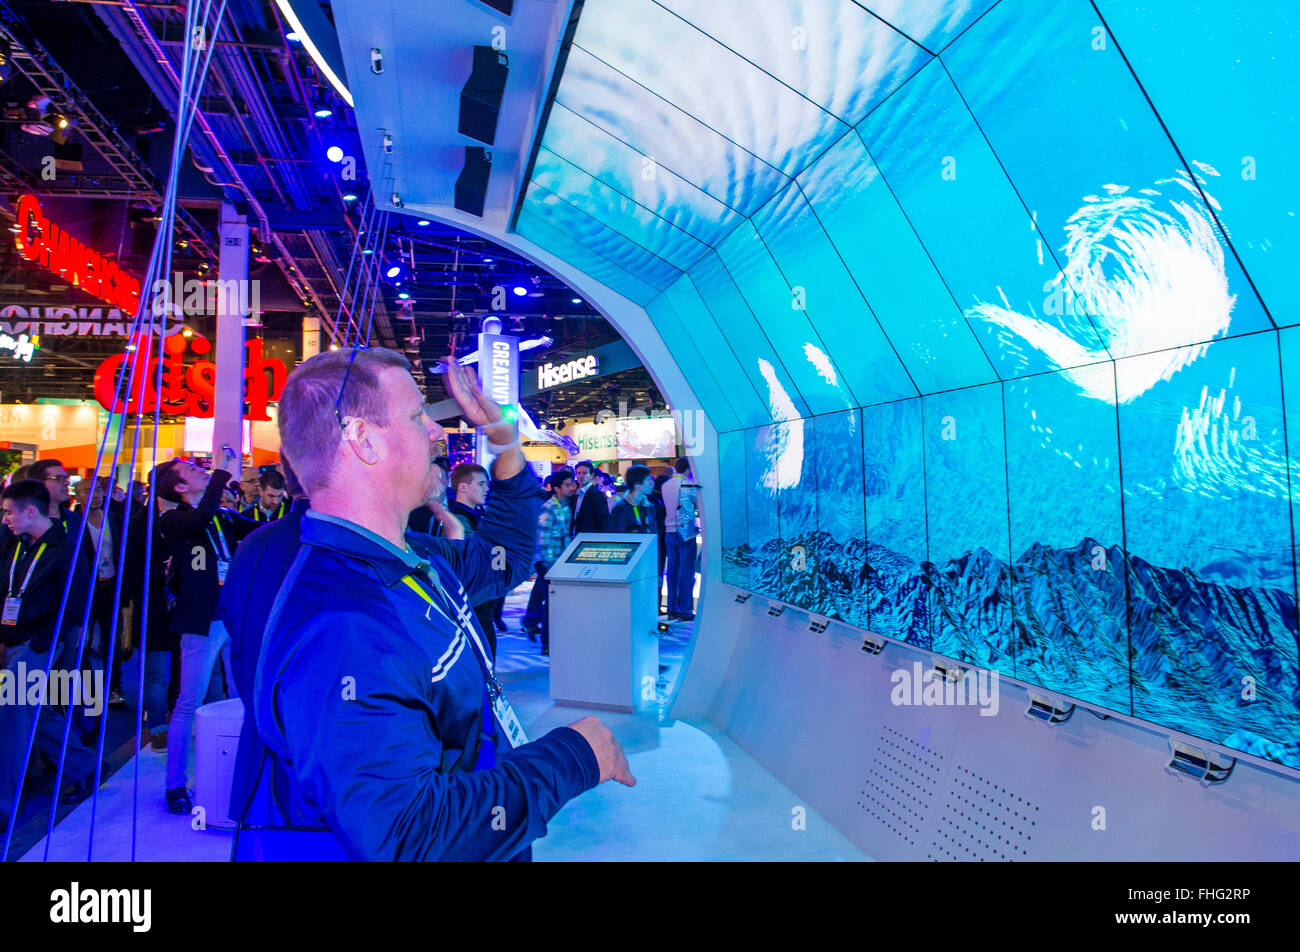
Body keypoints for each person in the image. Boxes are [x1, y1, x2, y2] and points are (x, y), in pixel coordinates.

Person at [248, 347, 633, 861]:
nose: (436, 431)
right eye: (416, 416)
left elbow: (506, 558)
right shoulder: (345, 626)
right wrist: (573, 757)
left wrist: (503, 439)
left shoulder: (412, 557)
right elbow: (407, 835)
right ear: (362, 440)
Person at [153, 447, 255, 815]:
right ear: (179, 486)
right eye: (192, 469)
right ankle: (175, 784)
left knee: (244, 691)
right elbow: (199, 520)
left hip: (233, 614)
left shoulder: (221, 516)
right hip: (201, 621)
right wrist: (222, 474)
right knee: (188, 701)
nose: (200, 470)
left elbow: (261, 531)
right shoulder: (174, 520)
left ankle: (245, 767)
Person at [0, 480, 101, 831]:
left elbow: (73, 607)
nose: (5, 518)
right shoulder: (16, 544)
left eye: (9, 512)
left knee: (12, 713)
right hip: (15, 640)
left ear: (30, 511)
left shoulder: (66, 549)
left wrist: (40, 644)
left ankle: (4, 807)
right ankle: (82, 766)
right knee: (36, 711)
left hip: (40, 643)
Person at [445, 463, 508, 653]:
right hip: (472, 601)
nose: (486, 489)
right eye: (481, 484)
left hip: (484, 600)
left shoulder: (479, 517)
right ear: (463, 487)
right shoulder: (456, 521)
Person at [531, 467, 576, 658]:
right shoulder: (549, 508)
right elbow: (543, 540)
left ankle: (532, 622)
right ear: (557, 488)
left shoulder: (564, 506)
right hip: (548, 565)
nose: (572, 487)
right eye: (567, 485)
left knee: (555, 603)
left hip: (559, 563)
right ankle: (547, 643)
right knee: (552, 604)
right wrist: (552, 567)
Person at [662, 458, 700, 621]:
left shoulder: (665, 485)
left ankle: (671, 609)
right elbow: (698, 503)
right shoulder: (688, 485)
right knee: (686, 572)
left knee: (672, 571)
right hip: (686, 532)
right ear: (689, 469)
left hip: (669, 530)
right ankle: (685, 610)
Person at [608, 465, 656, 534]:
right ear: (637, 483)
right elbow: (616, 538)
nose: (652, 483)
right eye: (648, 479)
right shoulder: (621, 509)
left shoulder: (650, 507)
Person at [570, 460, 608, 534]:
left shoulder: (596, 494)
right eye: (578, 473)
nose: (581, 476)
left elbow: (603, 521)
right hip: (577, 537)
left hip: (590, 538)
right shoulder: (577, 494)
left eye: (584, 473)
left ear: (591, 475)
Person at [651, 472, 670, 614]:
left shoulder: (650, 500)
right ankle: (656, 606)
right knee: (657, 575)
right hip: (660, 545)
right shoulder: (659, 503)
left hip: (653, 544)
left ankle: (653, 606)